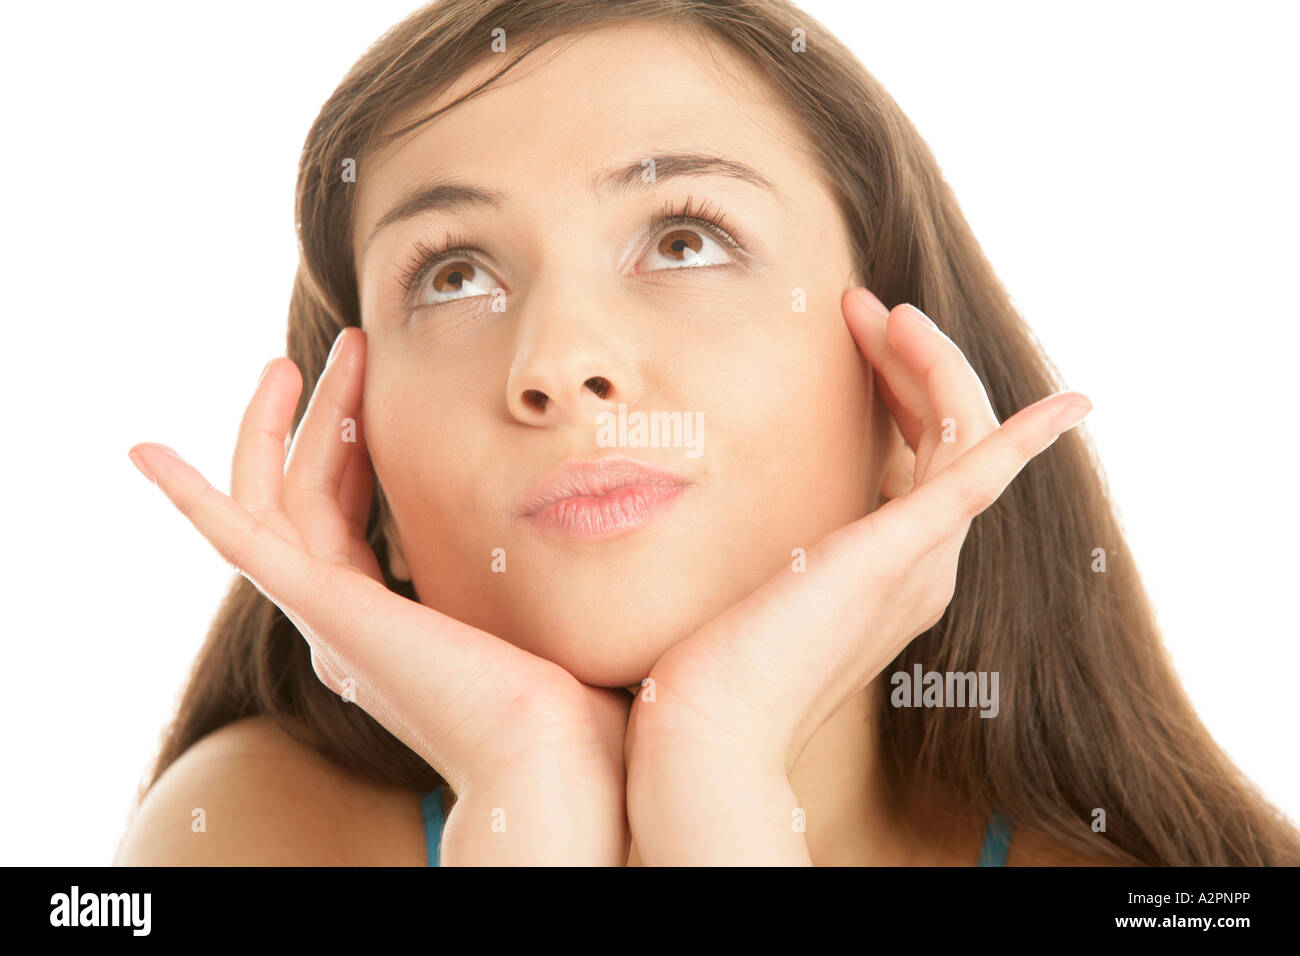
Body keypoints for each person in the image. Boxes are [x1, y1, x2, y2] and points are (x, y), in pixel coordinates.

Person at [114, 0, 1300, 866]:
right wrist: (526, 793)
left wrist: (719, 781)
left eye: (684, 239)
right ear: (361, 475)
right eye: (454, 273)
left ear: (907, 409)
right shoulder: (254, 834)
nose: (555, 364)